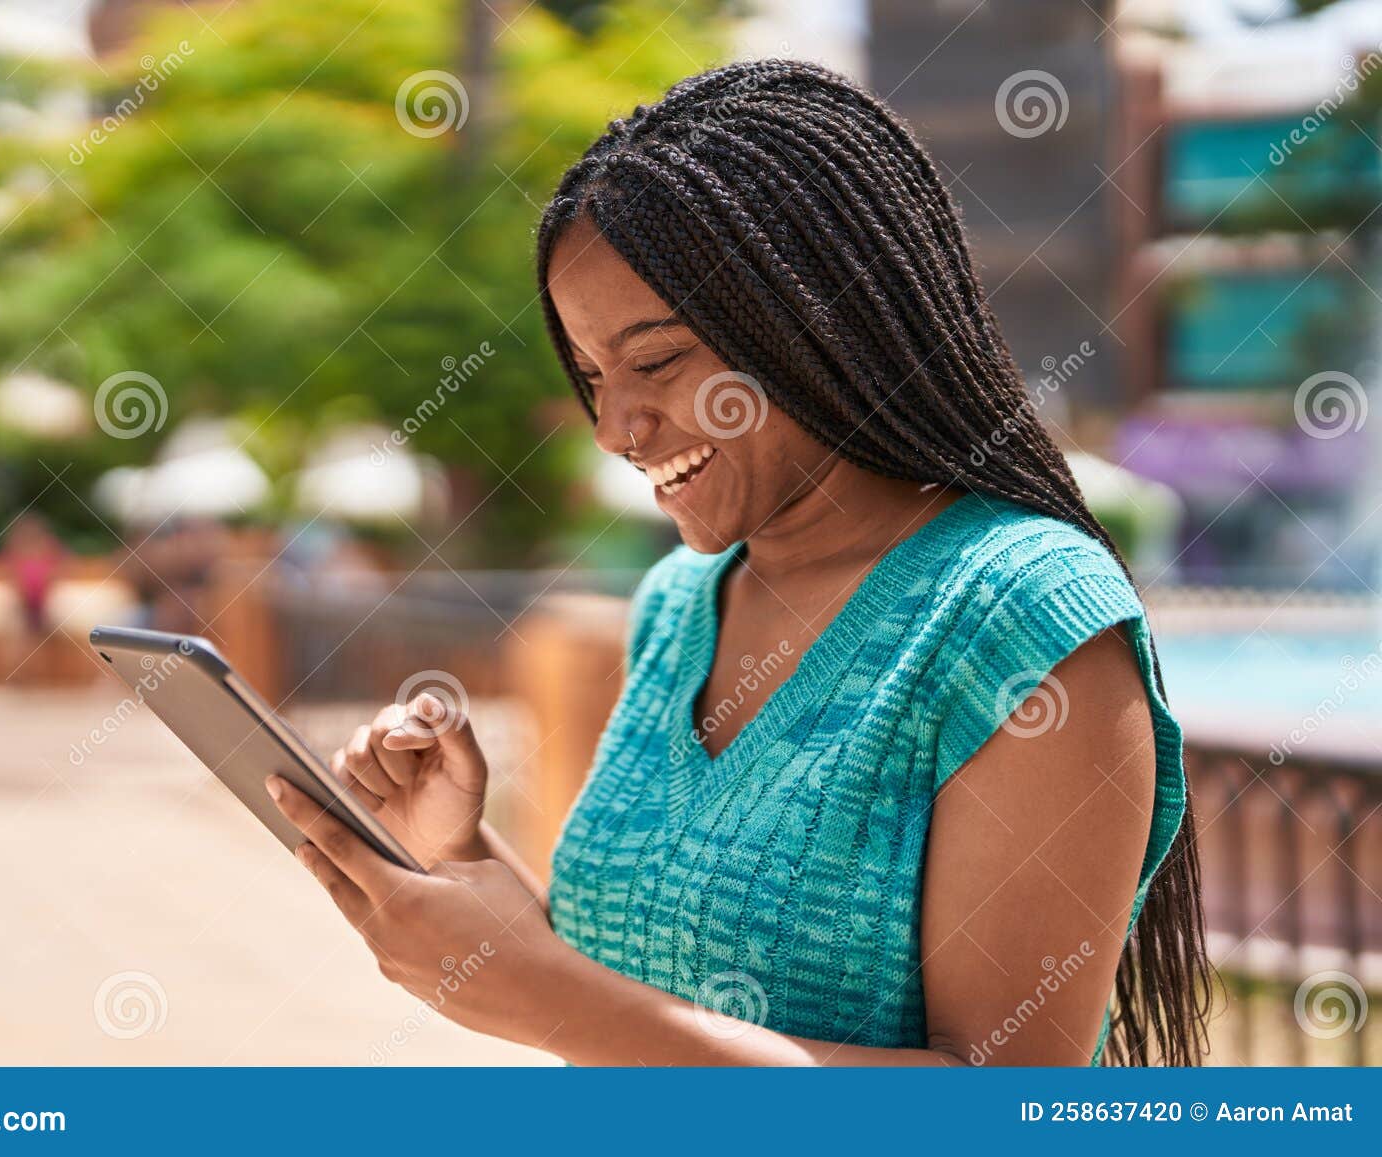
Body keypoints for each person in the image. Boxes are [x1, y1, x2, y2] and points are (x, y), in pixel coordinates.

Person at [263, 60, 1210, 1066]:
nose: (615, 429)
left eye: (654, 361)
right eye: (592, 375)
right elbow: (647, 992)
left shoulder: (1019, 615)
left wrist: (547, 1002)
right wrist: (461, 858)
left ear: (818, 316)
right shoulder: (678, 606)